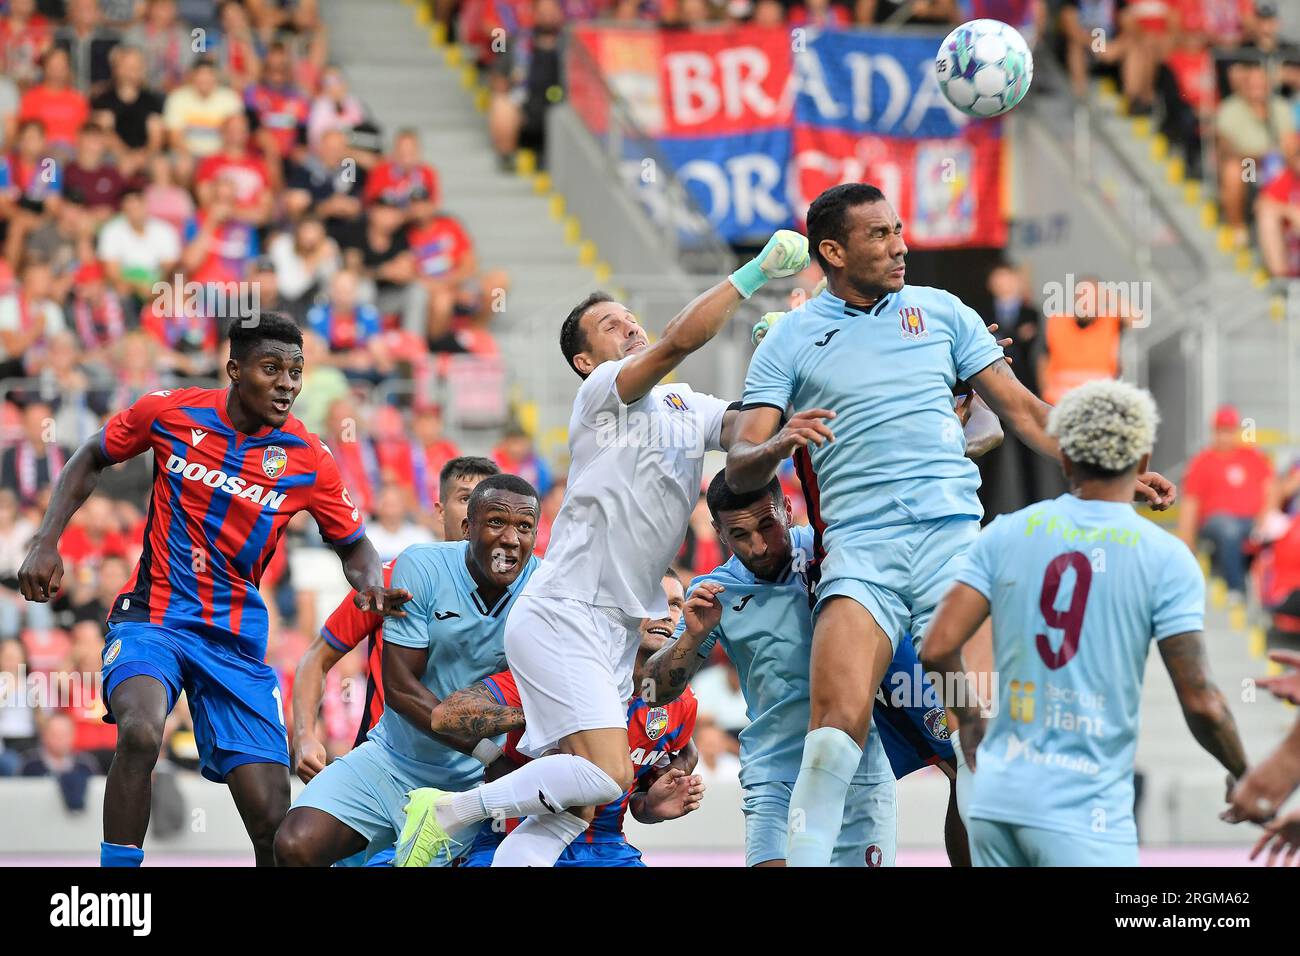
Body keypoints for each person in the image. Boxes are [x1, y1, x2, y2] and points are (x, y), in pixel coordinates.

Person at [724, 183, 1175, 867]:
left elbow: (1023, 411)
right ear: (833, 251)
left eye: (900, 229)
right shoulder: (788, 340)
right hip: (861, 553)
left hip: (954, 549)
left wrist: (1105, 470)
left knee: (981, 732)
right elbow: (739, 463)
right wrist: (779, 442)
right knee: (831, 735)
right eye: (879, 235)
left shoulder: (941, 313)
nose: (900, 245)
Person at [394, 228, 811, 867]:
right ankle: (449, 809)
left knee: (576, 808)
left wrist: (782, 361)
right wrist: (753, 274)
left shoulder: (685, 403)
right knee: (607, 777)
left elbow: (750, 439)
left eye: (630, 319)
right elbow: (680, 338)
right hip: (565, 611)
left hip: (616, 627)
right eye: (612, 326)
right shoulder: (603, 396)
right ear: (588, 361)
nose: (631, 328)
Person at [16, 312, 411, 867]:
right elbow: (90, 455)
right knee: (140, 730)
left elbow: (355, 546)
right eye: (271, 369)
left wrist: (372, 584)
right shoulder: (171, 413)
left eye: (296, 372)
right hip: (152, 619)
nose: (287, 384)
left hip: (235, 642)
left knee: (274, 824)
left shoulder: (309, 458)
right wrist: (46, 539)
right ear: (234, 370)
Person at [920, 379, 1247, 866]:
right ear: (1140, 463)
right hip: (1084, 810)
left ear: (1066, 458)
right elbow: (1201, 700)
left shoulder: (1006, 534)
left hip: (999, 802)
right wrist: (1241, 771)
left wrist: (968, 720)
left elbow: (937, 647)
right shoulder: (1164, 557)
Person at [272, 474, 542, 866]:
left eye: (524, 527)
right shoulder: (410, 570)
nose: (511, 538)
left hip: (470, 783)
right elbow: (391, 685)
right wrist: (305, 734)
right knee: (295, 843)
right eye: (496, 521)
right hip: (389, 757)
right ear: (464, 523)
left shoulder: (544, 590)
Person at [449, 571, 703, 867]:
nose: (665, 614)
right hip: (515, 835)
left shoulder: (681, 704)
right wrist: (509, 740)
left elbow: (642, 794)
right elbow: (449, 715)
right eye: (654, 601)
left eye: (674, 604)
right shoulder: (559, 674)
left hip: (605, 848)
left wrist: (650, 805)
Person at [290, 456, 500, 784]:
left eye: (486, 501)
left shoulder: (522, 592)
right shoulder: (394, 579)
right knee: (295, 836)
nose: (475, 511)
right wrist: (305, 735)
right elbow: (316, 659)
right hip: (384, 767)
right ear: (440, 511)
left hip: (478, 776)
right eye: (464, 499)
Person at [1176, 404, 1273, 603]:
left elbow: (1270, 489)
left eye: (1229, 431)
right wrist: (1186, 543)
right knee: (1228, 528)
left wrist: (1266, 518)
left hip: (1251, 522)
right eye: (1220, 431)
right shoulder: (1202, 462)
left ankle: (1272, 593)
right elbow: (1191, 503)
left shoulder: (1252, 457)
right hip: (1216, 523)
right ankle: (1235, 588)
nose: (1224, 436)